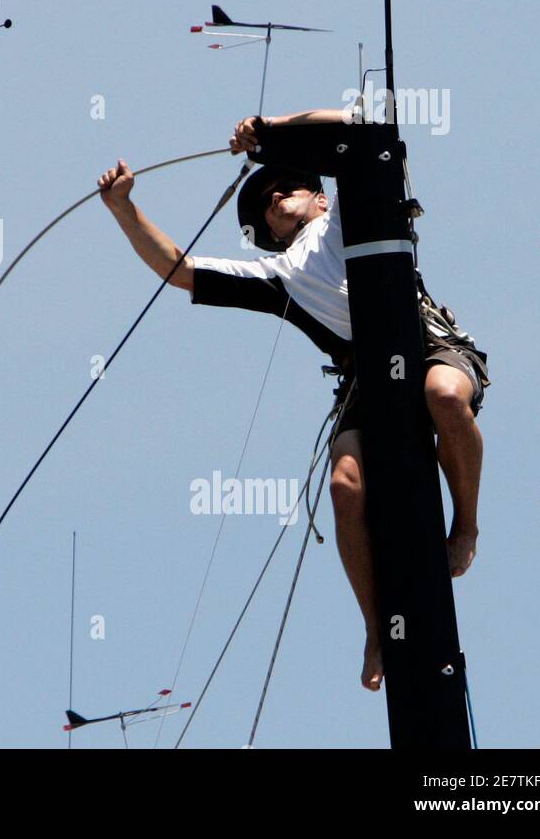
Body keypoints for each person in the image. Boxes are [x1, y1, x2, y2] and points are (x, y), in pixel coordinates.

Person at [97, 108, 489, 691]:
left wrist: (271, 129)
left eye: (290, 186)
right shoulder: (278, 277)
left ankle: (467, 528)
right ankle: (377, 625)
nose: (277, 197)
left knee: (442, 397)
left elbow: (365, 126)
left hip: (429, 344)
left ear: (321, 195)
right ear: (266, 231)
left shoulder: (356, 206)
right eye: (266, 202)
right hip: (365, 384)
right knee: (344, 485)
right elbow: (179, 270)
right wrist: (124, 209)